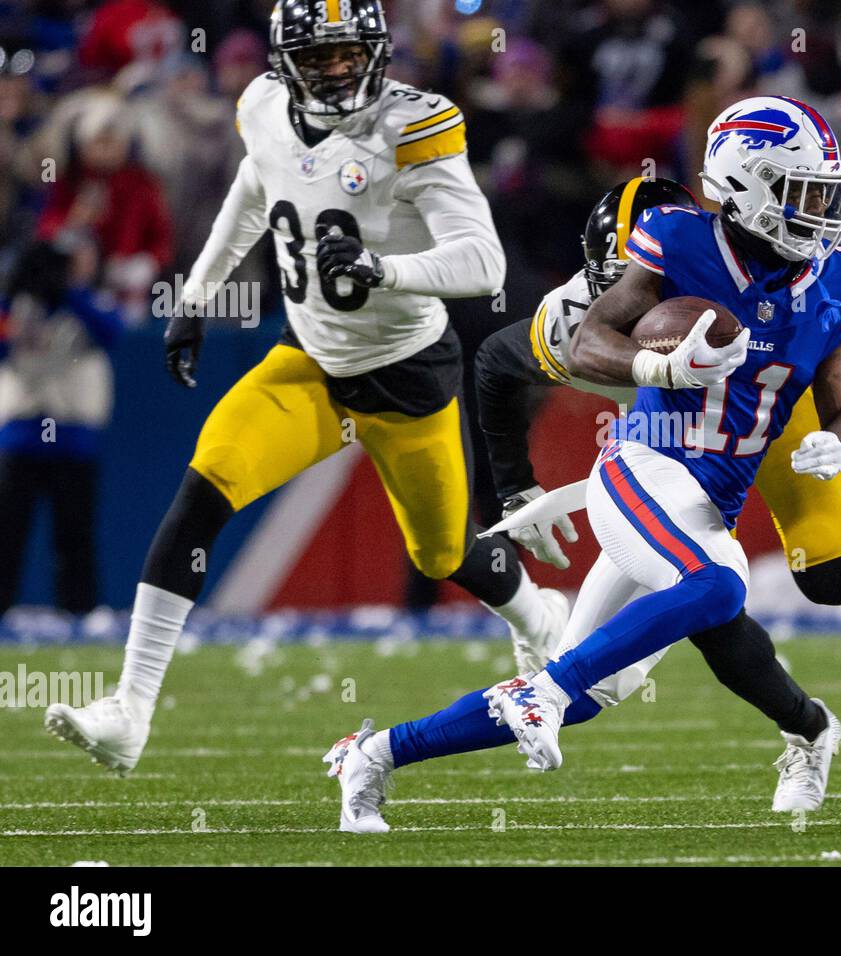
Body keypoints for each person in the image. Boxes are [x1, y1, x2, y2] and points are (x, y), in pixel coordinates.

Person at [324, 95, 841, 833]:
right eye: (802, 194)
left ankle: (374, 754)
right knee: (717, 586)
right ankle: (554, 696)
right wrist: (659, 371)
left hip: (709, 502)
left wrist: (839, 444)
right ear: (747, 186)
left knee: (597, 686)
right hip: (642, 467)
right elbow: (593, 336)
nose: (819, 211)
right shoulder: (679, 240)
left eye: (826, 194)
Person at [44, 0, 567, 774]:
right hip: (310, 360)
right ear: (286, 62)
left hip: (407, 371)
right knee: (205, 487)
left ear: (378, 53)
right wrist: (197, 296)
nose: (334, 70)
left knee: (444, 552)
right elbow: (258, 188)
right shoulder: (261, 106)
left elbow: (482, 265)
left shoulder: (411, 127)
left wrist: (383, 269)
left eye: (348, 53)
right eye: (316, 56)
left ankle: (538, 612)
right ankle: (129, 710)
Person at [0, 238, 122, 613]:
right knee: (7, 533)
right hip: (22, 435)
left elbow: (111, 332)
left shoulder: (90, 302)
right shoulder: (19, 305)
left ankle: (79, 610)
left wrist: (68, 294)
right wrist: (15, 293)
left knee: (74, 533)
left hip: (72, 436)